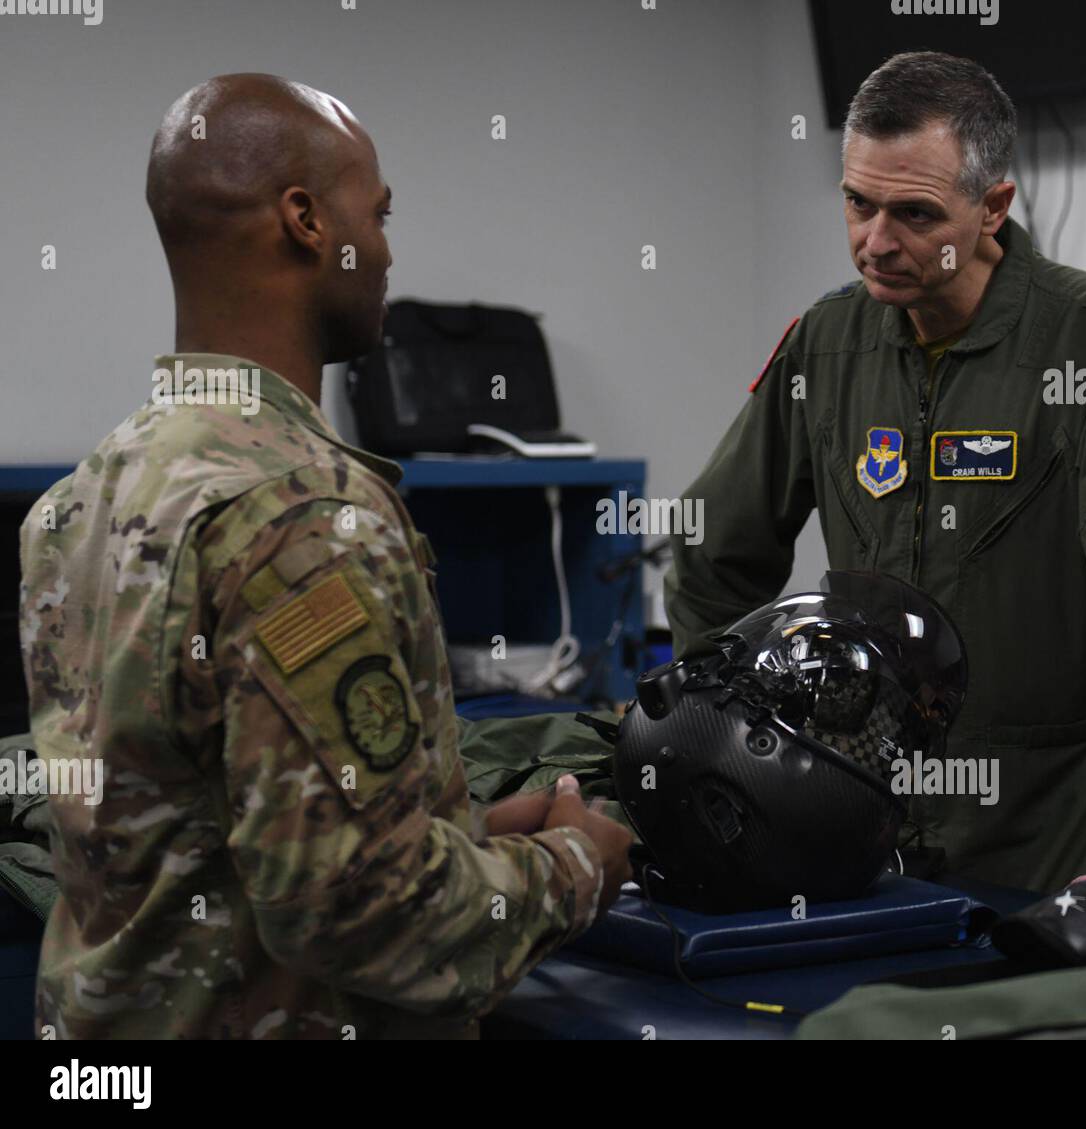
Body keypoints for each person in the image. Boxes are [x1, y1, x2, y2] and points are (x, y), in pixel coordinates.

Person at [18, 73, 631, 1040]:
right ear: (307, 221)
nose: (387, 250)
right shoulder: (300, 513)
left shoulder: (82, 497)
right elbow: (362, 912)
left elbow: (186, 822)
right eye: (377, 214)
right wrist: (581, 864)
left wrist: (450, 830)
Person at [665, 52, 1086, 905]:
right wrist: (716, 750)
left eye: (913, 214)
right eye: (857, 204)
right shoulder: (827, 346)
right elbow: (713, 553)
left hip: (1049, 852)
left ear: (993, 208)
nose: (875, 241)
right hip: (855, 845)